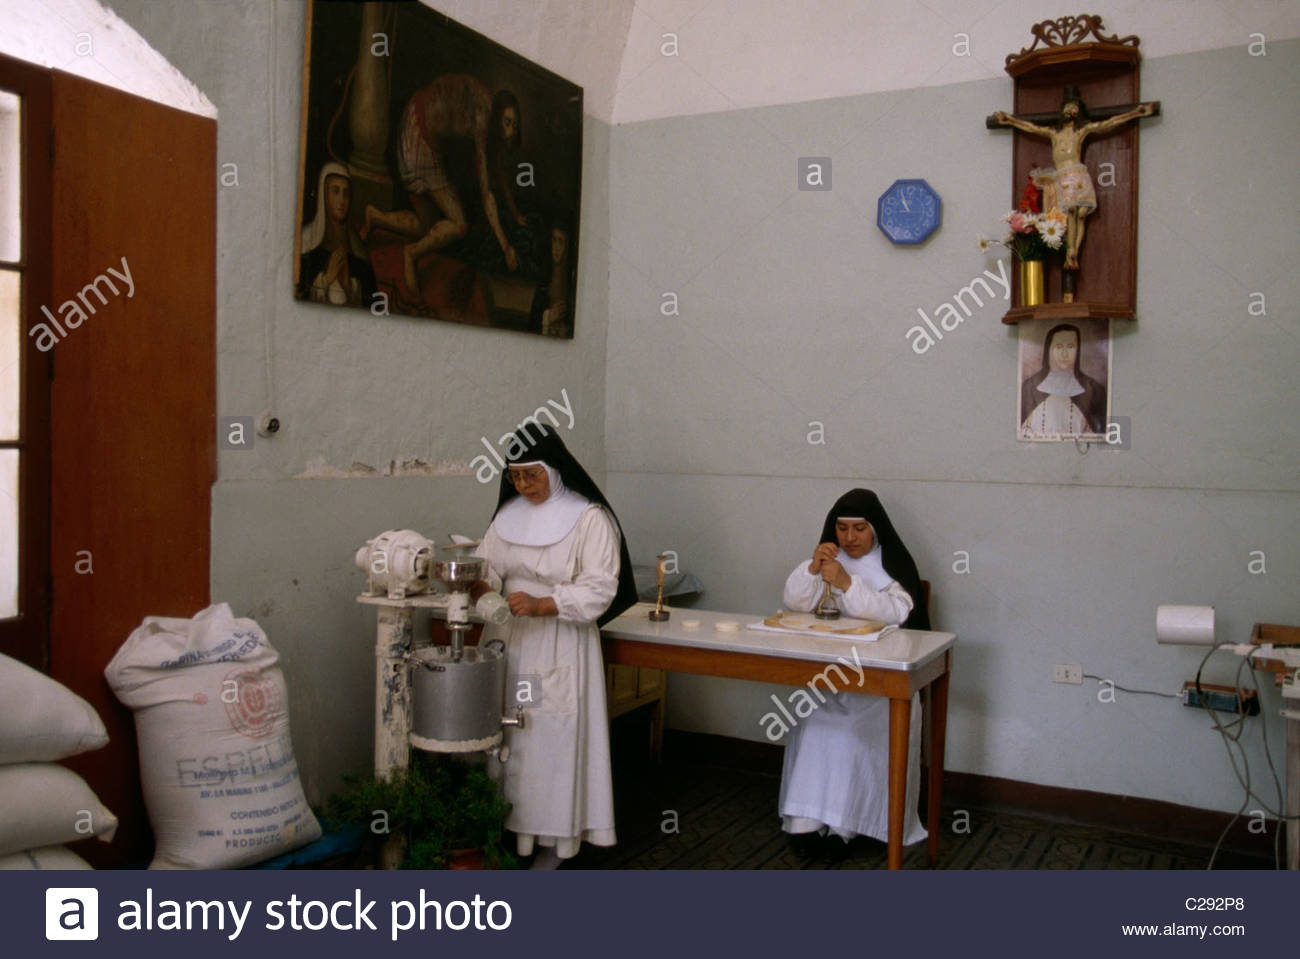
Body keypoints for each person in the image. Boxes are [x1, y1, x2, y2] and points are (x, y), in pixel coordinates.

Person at [470, 424, 637, 868]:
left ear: (555, 471)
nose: (524, 486)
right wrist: (482, 588)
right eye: (516, 477)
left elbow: (601, 587)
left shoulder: (588, 518)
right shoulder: (506, 516)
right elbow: (485, 566)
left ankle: (553, 843)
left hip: (559, 639)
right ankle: (508, 833)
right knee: (505, 736)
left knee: (550, 739)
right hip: (508, 638)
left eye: (532, 476)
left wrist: (546, 603)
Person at [778, 488, 930, 861]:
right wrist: (814, 570)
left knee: (847, 732)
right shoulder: (829, 558)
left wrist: (847, 584)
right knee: (813, 722)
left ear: (875, 530)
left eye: (859, 529)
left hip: (879, 683)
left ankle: (846, 827)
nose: (850, 538)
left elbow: (897, 613)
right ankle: (806, 824)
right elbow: (794, 602)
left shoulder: (891, 565)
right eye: (842, 529)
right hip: (829, 675)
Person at [362, 76, 526, 299]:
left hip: (415, 122)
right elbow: (486, 193)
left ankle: (376, 217)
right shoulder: (483, 119)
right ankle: (411, 254)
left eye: (514, 125)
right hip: (419, 138)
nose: (511, 132)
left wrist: (516, 214)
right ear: (498, 116)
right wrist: (506, 247)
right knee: (459, 225)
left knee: (430, 227)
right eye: (507, 123)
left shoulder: (488, 110)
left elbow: (498, 170)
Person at [991, 86, 1157, 269]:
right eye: (1067, 107)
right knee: (1071, 212)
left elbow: (1107, 123)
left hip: (1078, 174)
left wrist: (1135, 113)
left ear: (1079, 112)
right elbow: (1031, 127)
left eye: (1074, 107)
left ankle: (1075, 252)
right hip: (1064, 176)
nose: (1070, 110)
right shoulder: (1054, 133)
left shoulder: (1081, 131)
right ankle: (1071, 252)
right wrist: (1010, 120)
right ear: (1062, 111)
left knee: (1082, 214)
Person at [297, 161, 378, 307]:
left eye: (346, 193)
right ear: (324, 195)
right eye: (335, 191)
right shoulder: (305, 243)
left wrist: (348, 287)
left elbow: (373, 306)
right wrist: (326, 280)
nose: (341, 200)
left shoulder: (359, 254)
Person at [1019, 322, 1107, 437]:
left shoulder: (1095, 391)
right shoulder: (1029, 388)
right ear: (1049, 349)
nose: (1064, 354)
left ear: (1078, 350)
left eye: (1070, 346)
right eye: (1058, 347)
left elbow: (1104, 437)